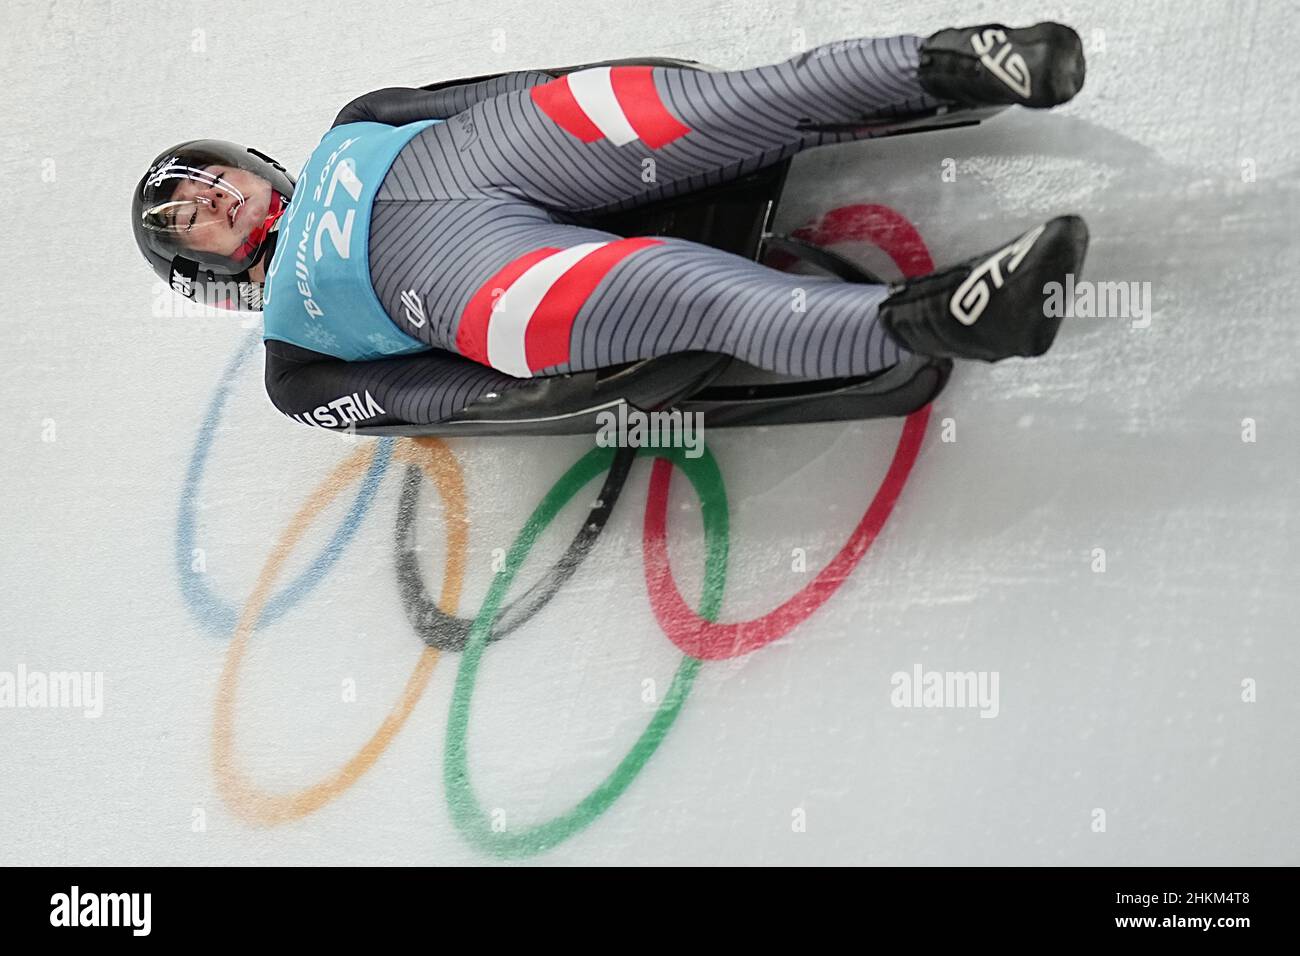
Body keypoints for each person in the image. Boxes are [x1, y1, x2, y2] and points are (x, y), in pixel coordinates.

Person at [132, 22, 1089, 430]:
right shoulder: (292, 364)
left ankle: (966, 62)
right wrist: (530, 395)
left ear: (247, 162)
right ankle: (947, 317)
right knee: (683, 289)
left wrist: (607, 87)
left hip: (508, 148)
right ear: (205, 272)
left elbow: (501, 94)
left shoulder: (356, 119)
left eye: (209, 178)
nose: (214, 198)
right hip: (478, 284)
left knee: (729, 106)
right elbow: (429, 399)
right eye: (191, 218)